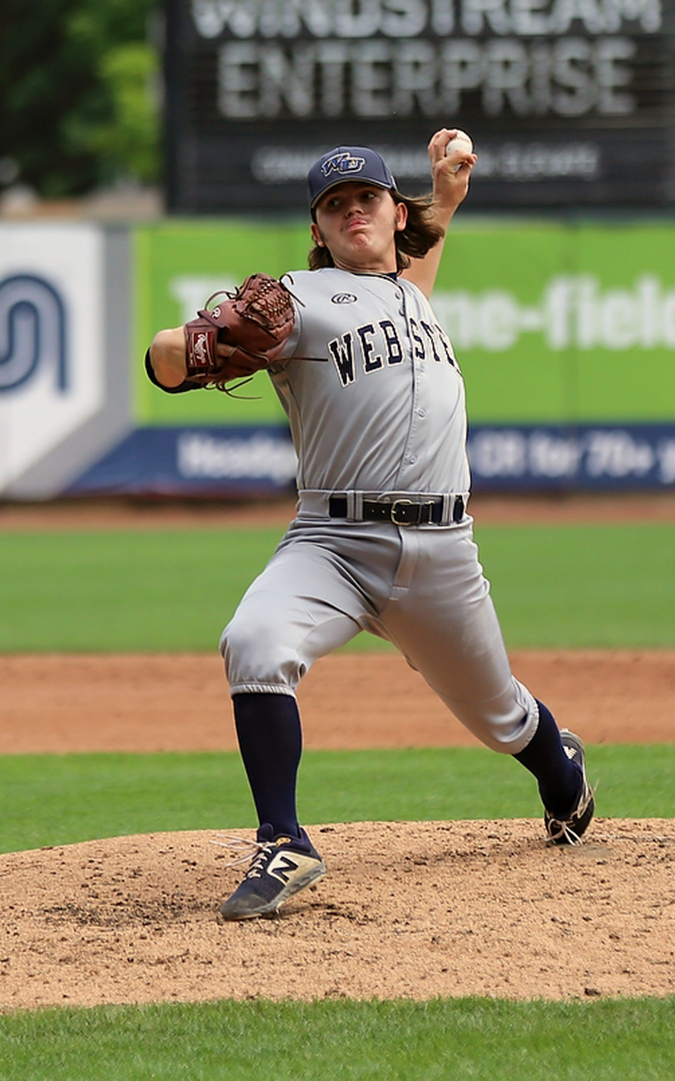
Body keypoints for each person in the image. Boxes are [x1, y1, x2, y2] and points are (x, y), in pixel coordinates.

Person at [143, 134, 596, 920]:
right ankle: (283, 841)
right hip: (333, 545)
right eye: (334, 204)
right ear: (317, 229)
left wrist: (445, 200)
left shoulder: (412, 292)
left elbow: (415, 268)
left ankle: (563, 772)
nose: (353, 210)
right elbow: (163, 358)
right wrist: (192, 347)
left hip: (444, 554)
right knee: (253, 642)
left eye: (367, 199)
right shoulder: (298, 300)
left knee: (504, 717)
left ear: (394, 213)